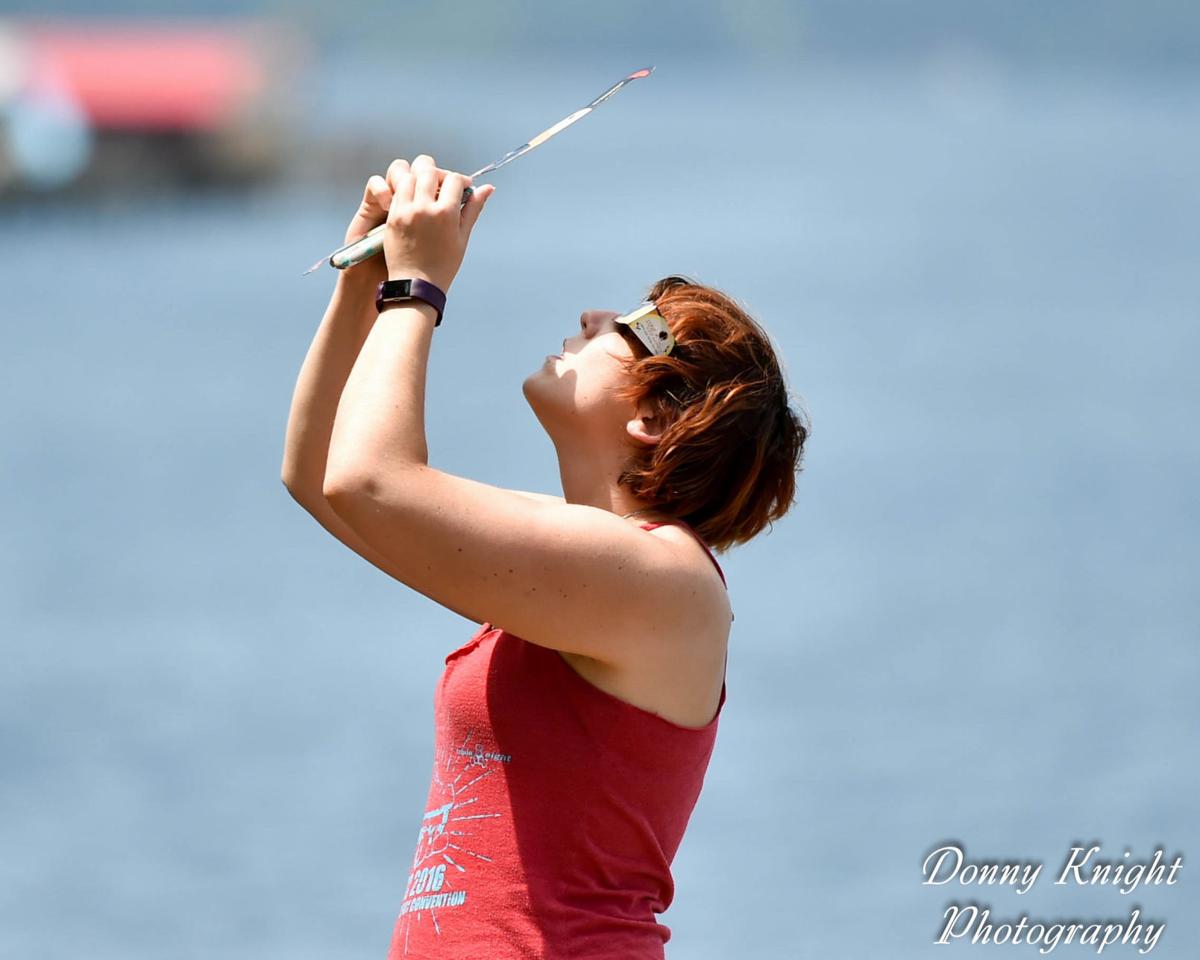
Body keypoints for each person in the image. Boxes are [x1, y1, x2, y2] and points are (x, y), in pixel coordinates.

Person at [281, 155, 808, 959]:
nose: (597, 315)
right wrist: (365, 279)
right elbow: (319, 473)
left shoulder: (667, 583)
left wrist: (417, 288)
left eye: (634, 327)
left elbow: (367, 480)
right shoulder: (583, 573)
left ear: (658, 416)